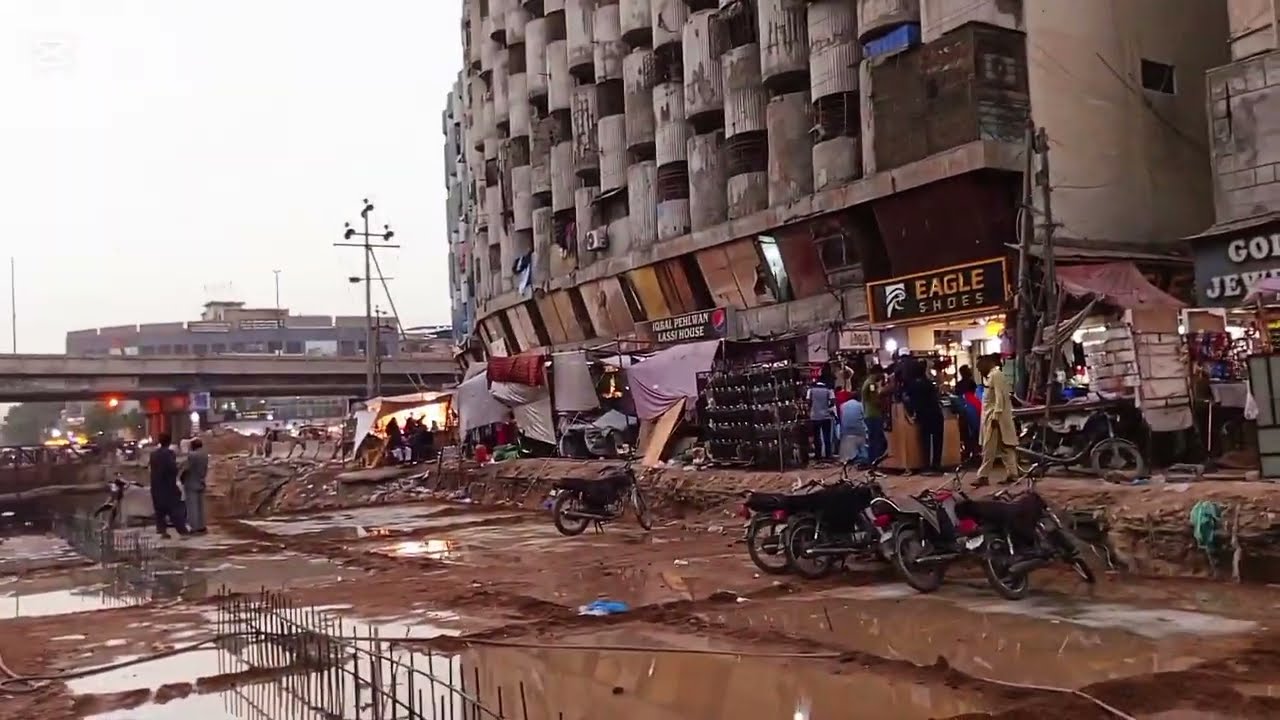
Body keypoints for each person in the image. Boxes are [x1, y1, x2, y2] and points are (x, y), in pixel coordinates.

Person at [974, 353, 1020, 487]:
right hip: (992, 417)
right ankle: (1013, 473)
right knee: (1005, 447)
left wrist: (995, 416)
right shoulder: (991, 376)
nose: (979, 370)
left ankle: (983, 476)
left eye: (980, 367)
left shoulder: (996, 375)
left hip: (994, 419)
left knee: (989, 447)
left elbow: (1000, 398)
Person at [904, 360, 944, 474]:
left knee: (925, 441)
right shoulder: (927, 383)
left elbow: (910, 401)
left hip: (924, 415)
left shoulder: (912, 385)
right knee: (937, 441)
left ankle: (926, 465)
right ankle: (936, 465)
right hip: (936, 413)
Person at [148, 433, 189, 538]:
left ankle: (162, 531)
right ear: (169, 442)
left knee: (159, 510)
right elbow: (172, 469)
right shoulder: (169, 453)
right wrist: (179, 468)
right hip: (168, 486)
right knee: (174, 509)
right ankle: (182, 531)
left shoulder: (153, 454)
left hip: (156, 485)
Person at [181, 438, 210, 534]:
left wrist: (182, 477)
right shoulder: (205, 455)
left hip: (191, 482)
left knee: (192, 506)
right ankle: (202, 526)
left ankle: (194, 527)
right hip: (201, 481)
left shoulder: (192, 455)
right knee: (200, 506)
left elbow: (186, 468)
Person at [860, 366, 887, 462]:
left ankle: (872, 460)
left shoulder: (867, 382)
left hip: (869, 413)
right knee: (876, 440)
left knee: (873, 439)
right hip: (874, 414)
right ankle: (875, 460)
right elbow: (874, 400)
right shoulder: (872, 385)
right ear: (876, 373)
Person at [807, 378, 836, 461]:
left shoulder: (811, 390)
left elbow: (808, 401)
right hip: (826, 416)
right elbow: (833, 401)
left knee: (817, 437)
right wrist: (827, 407)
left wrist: (812, 408)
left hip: (815, 416)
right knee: (827, 436)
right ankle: (828, 455)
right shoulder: (828, 389)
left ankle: (818, 455)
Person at [838, 392, 867, 464]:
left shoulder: (843, 405)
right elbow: (865, 417)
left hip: (846, 432)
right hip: (859, 431)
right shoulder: (860, 405)